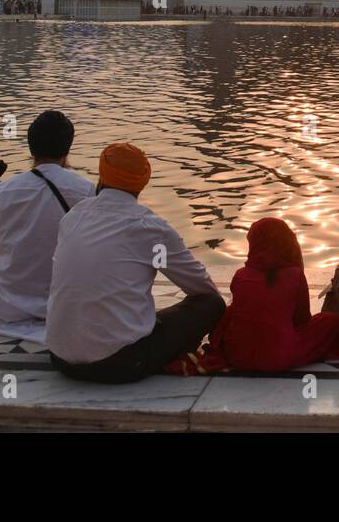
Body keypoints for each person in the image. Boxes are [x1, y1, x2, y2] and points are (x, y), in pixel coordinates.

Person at [47, 142, 225, 383]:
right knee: (211, 304)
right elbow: (201, 288)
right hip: (120, 364)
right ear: (142, 183)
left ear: (102, 176)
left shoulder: (73, 217)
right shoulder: (149, 227)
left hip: (60, 357)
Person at [167, 218, 339, 374]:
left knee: (232, 312)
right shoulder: (294, 275)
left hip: (237, 356)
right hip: (278, 358)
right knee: (331, 322)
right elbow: (302, 321)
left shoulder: (241, 275)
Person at [0, 111, 93, 322]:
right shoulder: (86, 190)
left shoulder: (4, 191)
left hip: (9, 306)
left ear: (31, 148)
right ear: (68, 147)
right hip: (63, 304)